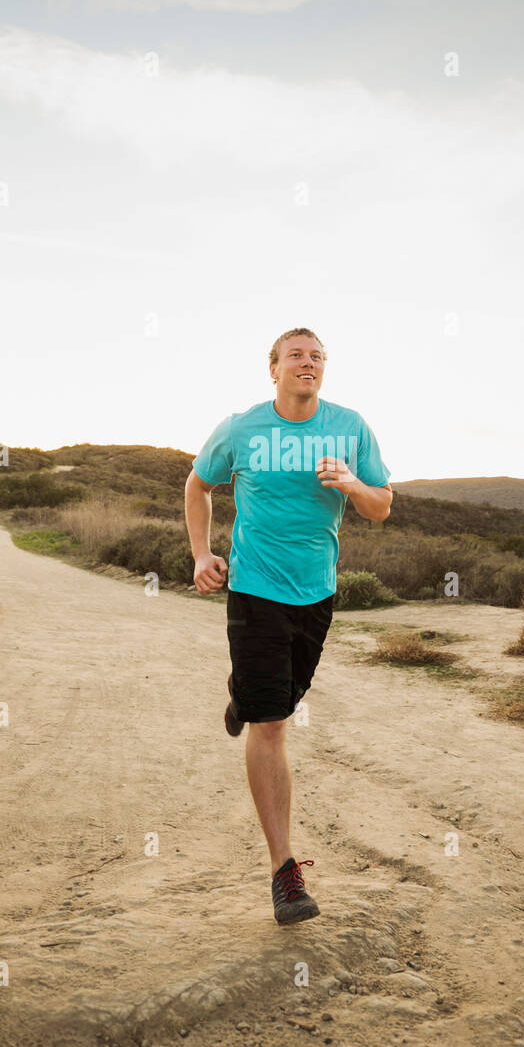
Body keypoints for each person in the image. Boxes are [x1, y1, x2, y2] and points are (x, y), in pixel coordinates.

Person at [184, 328, 392, 924]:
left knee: (279, 701)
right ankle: (285, 872)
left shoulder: (350, 427)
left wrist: (353, 484)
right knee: (272, 724)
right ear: (272, 368)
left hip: (316, 595)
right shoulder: (241, 428)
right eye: (296, 355)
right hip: (253, 591)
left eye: (317, 356)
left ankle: (241, 693)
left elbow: (381, 505)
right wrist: (202, 556)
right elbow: (198, 485)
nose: (308, 363)